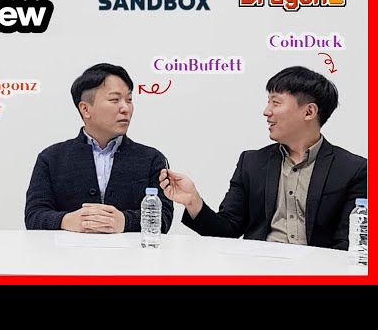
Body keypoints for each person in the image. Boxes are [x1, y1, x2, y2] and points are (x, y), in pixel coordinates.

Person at [159, 65, 367, 250]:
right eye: (268, 102)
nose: (266, 112)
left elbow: (349, 244)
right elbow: (227, 231)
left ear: (309, 112)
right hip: (258, 267)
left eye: (276, 103)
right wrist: (193, 201)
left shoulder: (353, 170)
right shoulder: (252, 163)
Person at [25, 63, 173, 233]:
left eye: (129, 100)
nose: (125, 108)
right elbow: (33, 216)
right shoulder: (51, 158)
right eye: (114, 100)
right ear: (85, 109)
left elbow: (164, 218)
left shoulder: (152, 159)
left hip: (131, 251)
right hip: (69, 250)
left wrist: (125, 221)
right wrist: (66, 220)